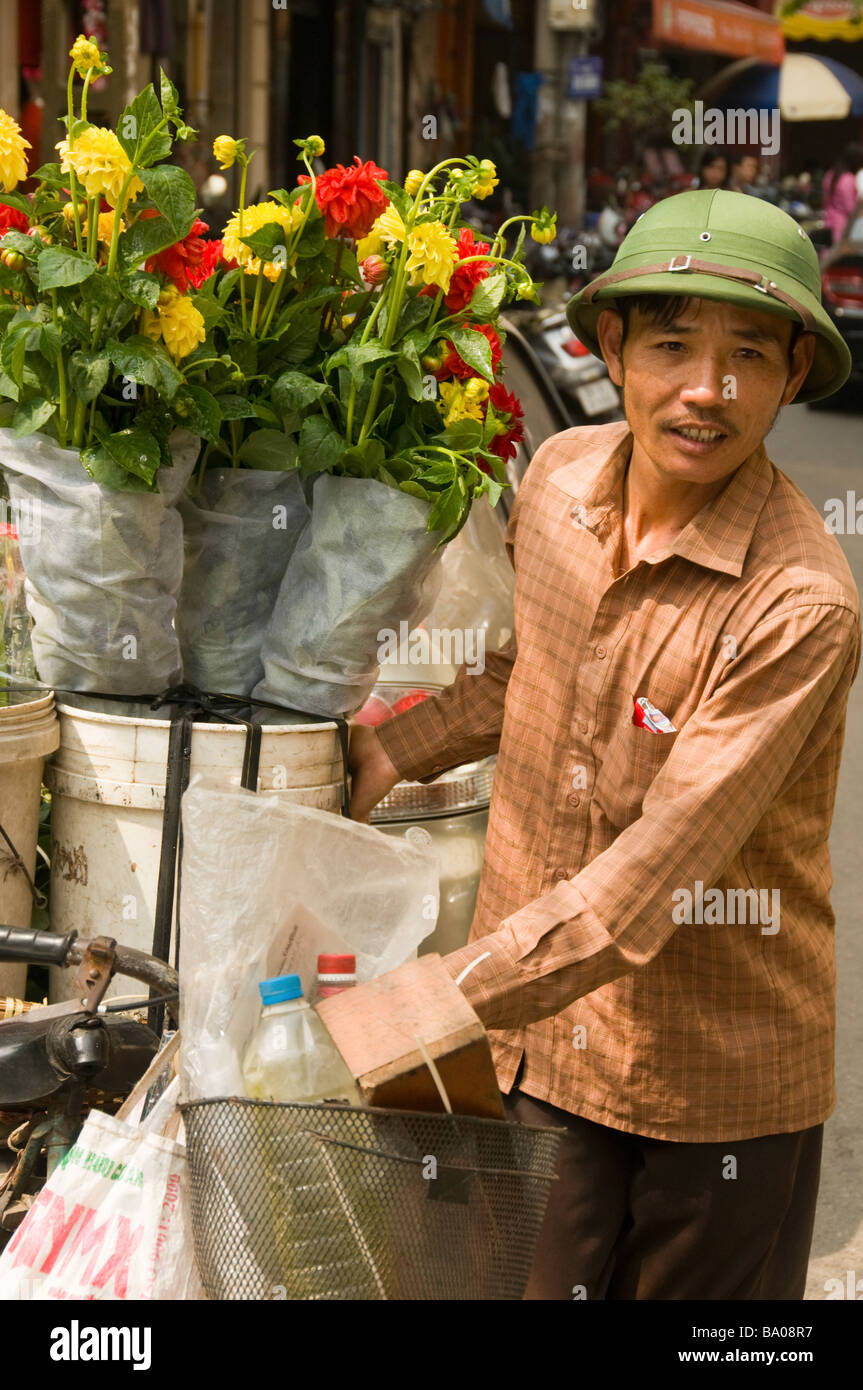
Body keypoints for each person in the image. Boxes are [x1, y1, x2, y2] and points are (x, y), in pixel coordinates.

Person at [347, 189, 860, 1300]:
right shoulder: (560, 480)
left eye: (747, 358)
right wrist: (387, 752)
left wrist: (437, 995)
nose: (705, 392)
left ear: (790, 378)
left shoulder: (797, 605)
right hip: (538, 1043)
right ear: (614, 346)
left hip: (708, 1094)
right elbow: (524, 675)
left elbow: (651, 876)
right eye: (671, 345)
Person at [822, 142, 863, 246]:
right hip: (842, 227)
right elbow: (850, 208)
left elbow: (825, 199)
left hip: (827, 221)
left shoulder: (830, 174)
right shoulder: (848, 179)